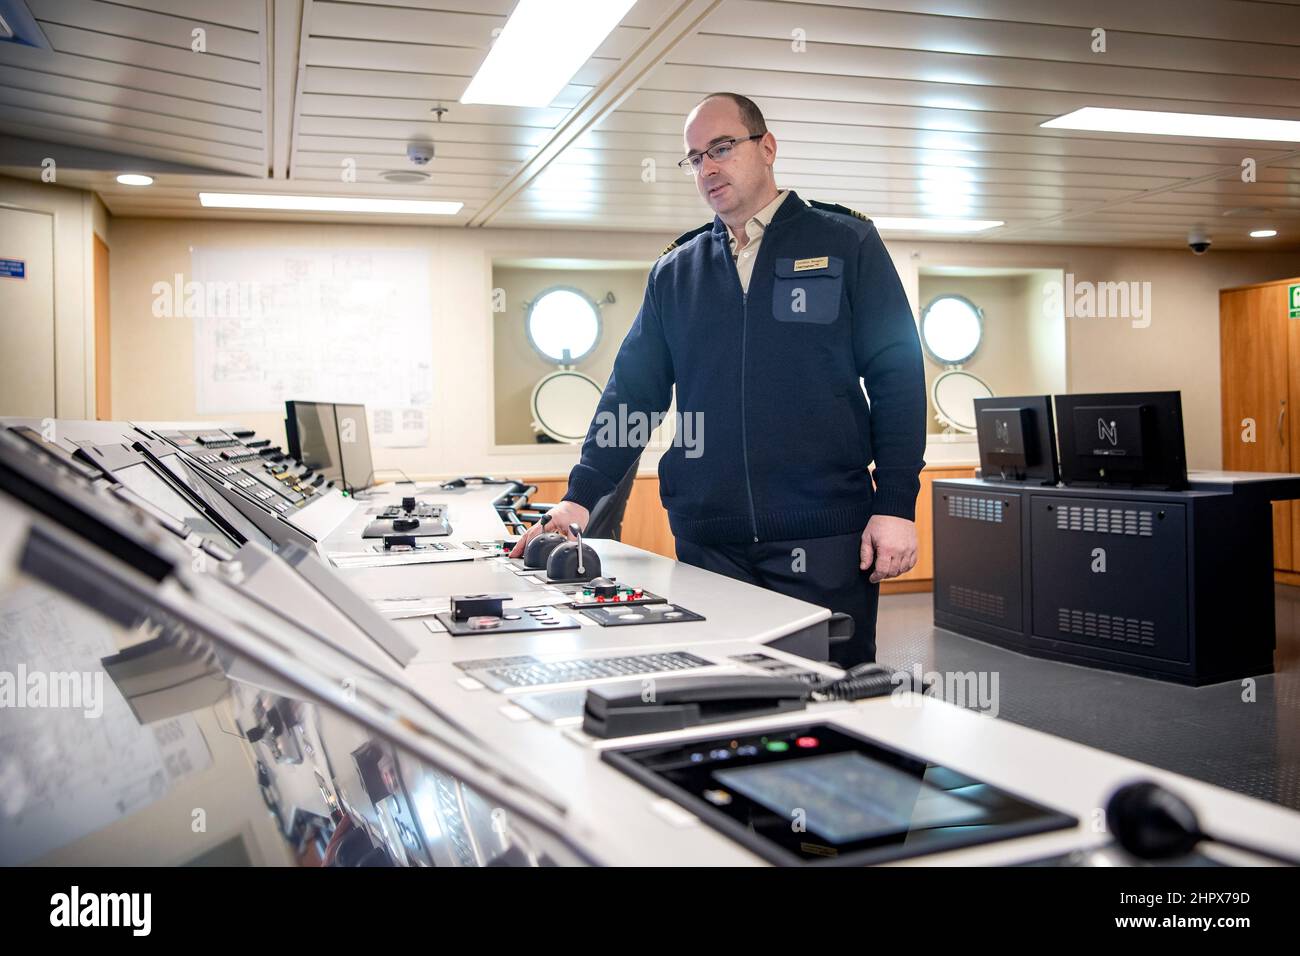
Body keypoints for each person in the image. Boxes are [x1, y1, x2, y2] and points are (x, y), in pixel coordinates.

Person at [510, 92, 926, 665]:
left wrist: (898, 503)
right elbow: (634, 396)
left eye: (722, 148)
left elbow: (897, 377)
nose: (707, 167)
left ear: (767, 147)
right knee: (721, 703)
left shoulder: (844, 242)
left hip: (823, 536)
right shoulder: (676, 272)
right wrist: (581, 498)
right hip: (709, 540)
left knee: (829, 704)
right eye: (694, 157)